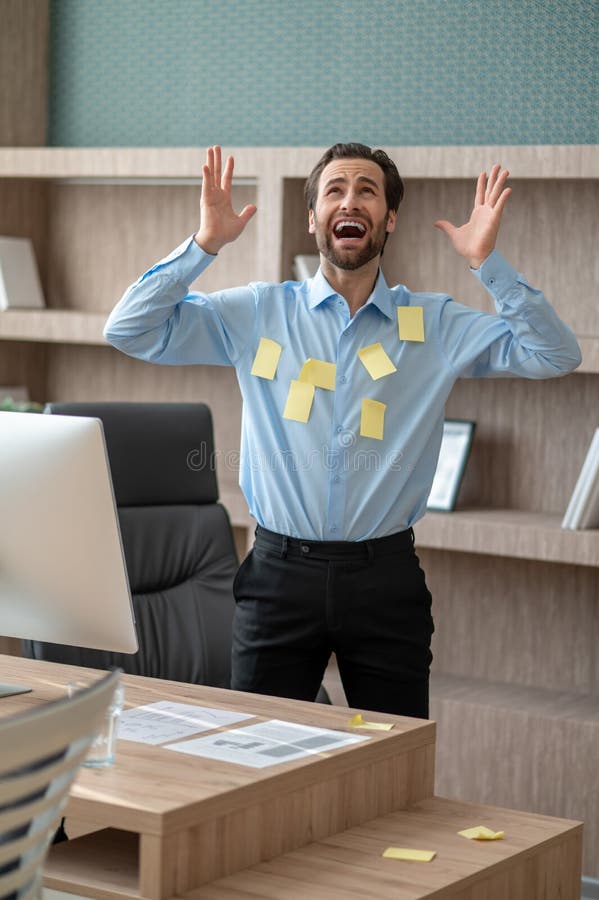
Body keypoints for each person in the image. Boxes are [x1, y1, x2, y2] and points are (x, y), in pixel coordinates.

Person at [104, 143, 581, 718]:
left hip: (385, 579)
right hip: (277, 576)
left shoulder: (433, 324)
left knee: (393, 765)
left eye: (367, 190)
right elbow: (129, 330)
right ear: (313, 218)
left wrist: (488, 264)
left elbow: (555, 354)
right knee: (257, 762)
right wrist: (205, 244)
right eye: (334, 189)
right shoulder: (258, 313)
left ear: (389, 219)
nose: (349, 200)